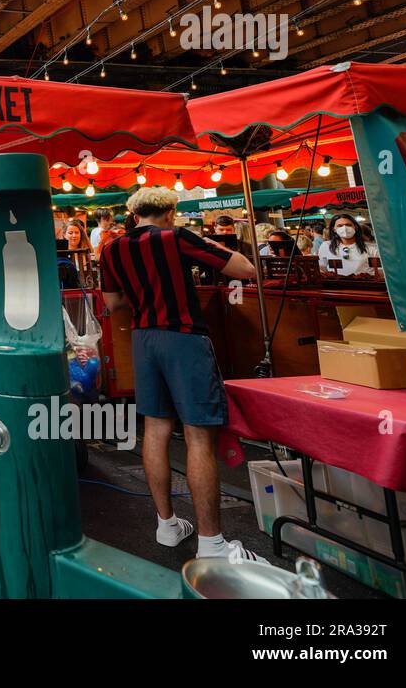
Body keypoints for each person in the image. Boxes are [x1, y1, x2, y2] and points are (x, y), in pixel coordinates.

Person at [99, 187, 265, 563]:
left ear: (134, 213)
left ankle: (167, 525)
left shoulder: (111, 248)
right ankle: (212, 544)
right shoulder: (176, 236)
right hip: (184, 337)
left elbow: (113, 303)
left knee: (155, 429)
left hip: (143, 339)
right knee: (197, 435)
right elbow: (244, 268)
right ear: (170, 212)